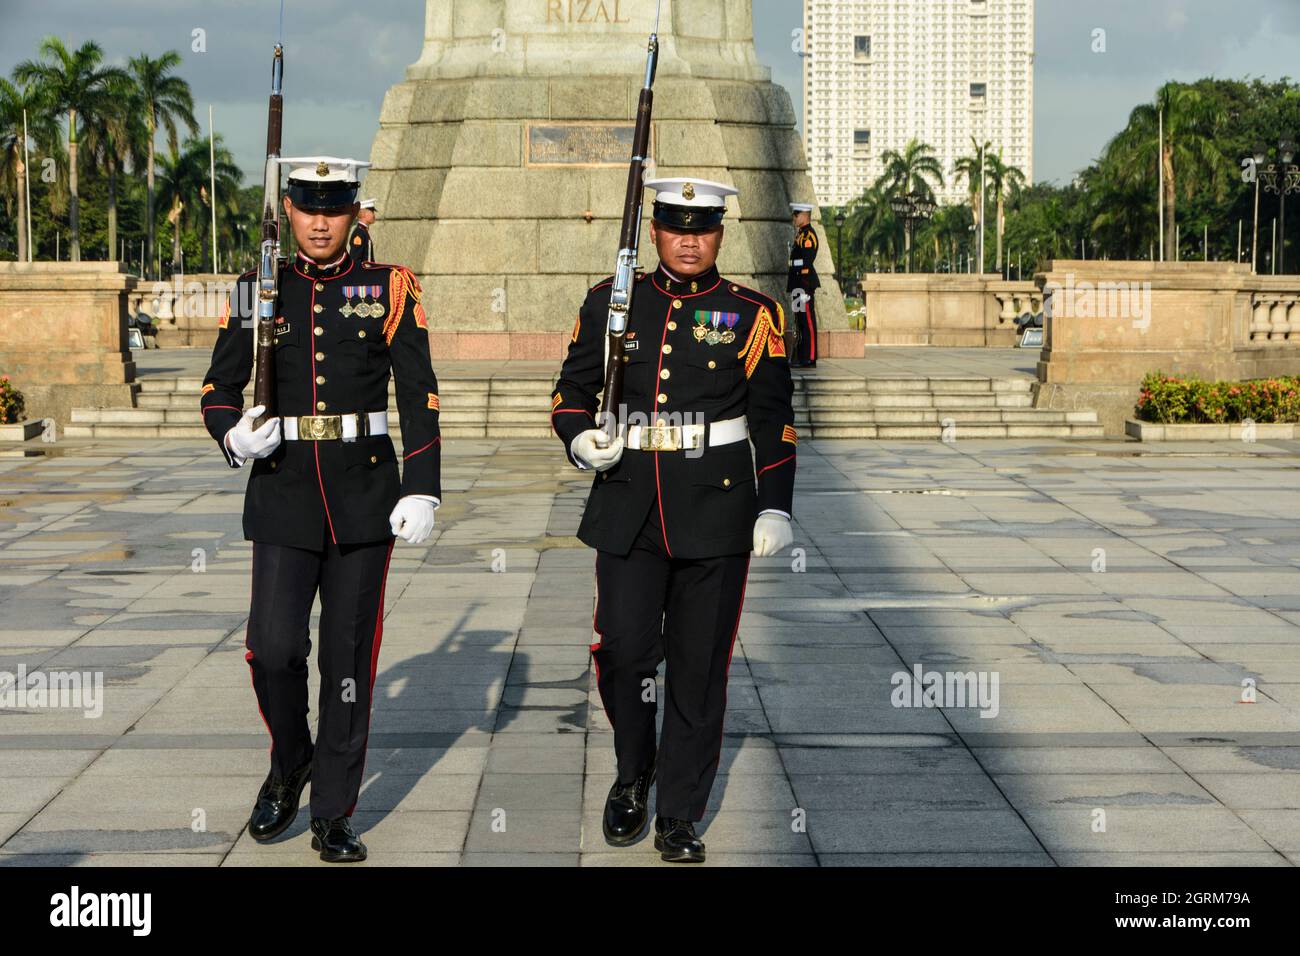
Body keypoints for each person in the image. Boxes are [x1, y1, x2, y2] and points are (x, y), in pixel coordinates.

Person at [200, 157, 442, 863]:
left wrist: (422, 483)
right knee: (273, 648)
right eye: (308, 207)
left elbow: (418, 390)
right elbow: (219, 385)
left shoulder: (390, 287)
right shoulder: (259, 287)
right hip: (282, 488)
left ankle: (334, 812)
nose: (320, 221)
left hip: (365, 490)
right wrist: (231, 434)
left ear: (351, 211)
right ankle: (291, 759)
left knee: (346, 661)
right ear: (289, 207)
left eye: (334, 208)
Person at [550, 178, 797, 863]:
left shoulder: (751, 314)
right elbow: (570, 394)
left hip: (716, 507)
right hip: (629, 501)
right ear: (654, 230)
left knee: (698, 667)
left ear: (721, 234)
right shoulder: (611, 302)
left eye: (704, 227)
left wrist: (775, 503)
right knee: (623, 650)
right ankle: (635, 771)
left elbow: (775, 420)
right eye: (676, 225)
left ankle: (680, 814)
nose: (690, 239)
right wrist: (578, 437)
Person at [787, 202, 820, 368]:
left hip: (804, 283)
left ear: (805, 215)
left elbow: (806, 261)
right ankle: (801, 355)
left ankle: (810, 356)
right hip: (797, 284)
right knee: (799, 321)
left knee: (806, 321)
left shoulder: (809, 236)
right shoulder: (800, 234)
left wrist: (793, 263)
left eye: (796, 214)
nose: (794, 218)